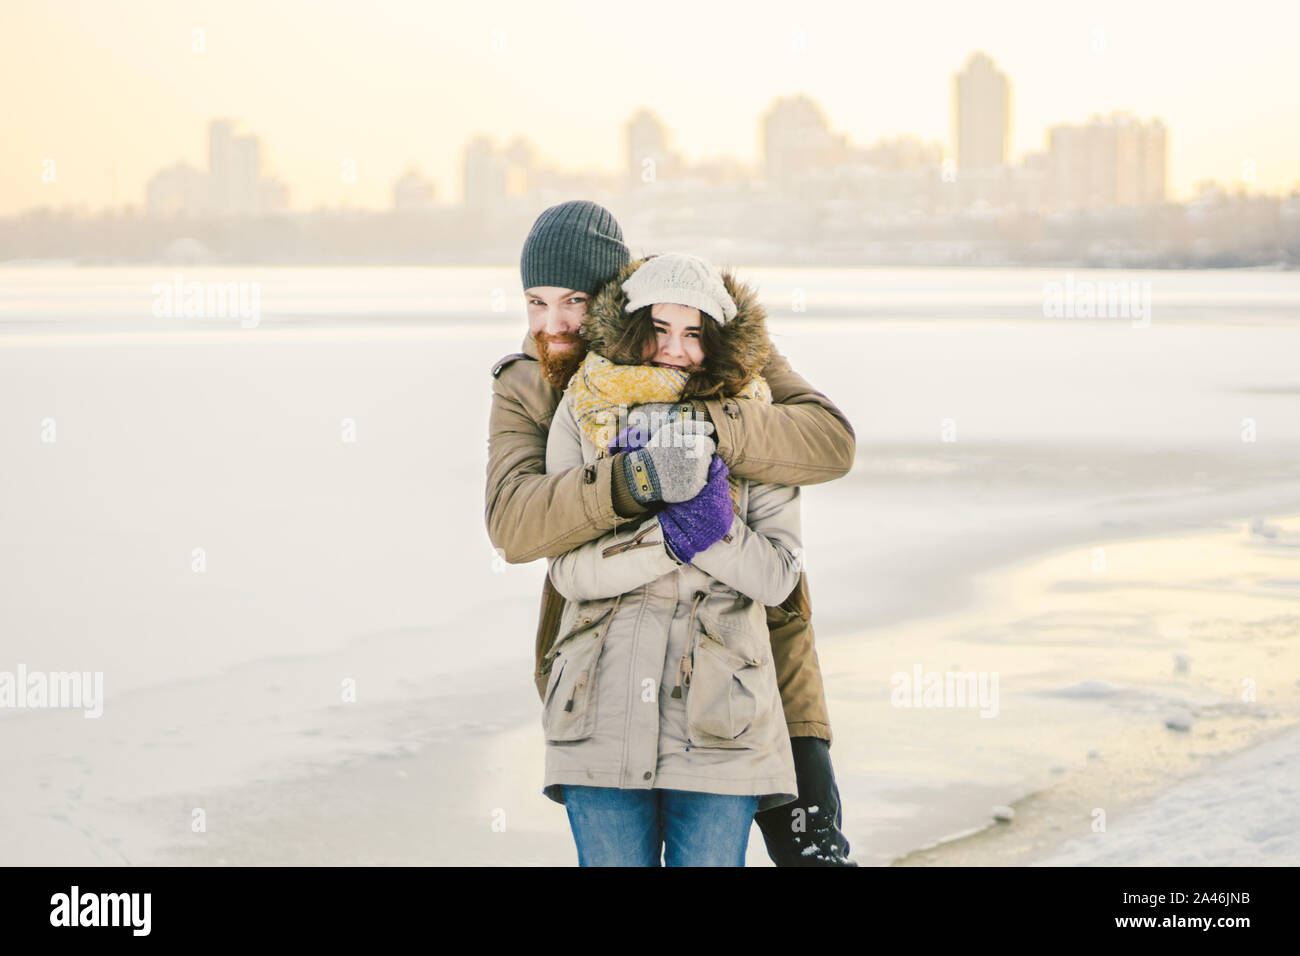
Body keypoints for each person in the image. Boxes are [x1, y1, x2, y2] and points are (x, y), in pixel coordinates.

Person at [484, 200, 858, 865]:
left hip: (741, 668)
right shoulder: (531, 384)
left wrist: (705, 428)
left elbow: (827, 441)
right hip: (601, 667)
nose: (554, 324)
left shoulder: (702, 330)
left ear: (614, 297)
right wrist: (642, 480)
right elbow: (516, 524)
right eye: (535, 303)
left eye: (573, 300)